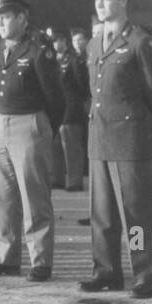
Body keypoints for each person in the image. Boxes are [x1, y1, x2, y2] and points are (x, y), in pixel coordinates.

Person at [78, 0, 152, 299]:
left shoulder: (140, 42)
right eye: (97, 0)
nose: (100, 5)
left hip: (130, 140)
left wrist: (141, 129)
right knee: (102, 213)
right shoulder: (93, 44)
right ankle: (106, 271)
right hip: (99, 137)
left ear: (124, 1)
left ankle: (144, 275)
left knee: (136, 214)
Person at [0, 0, 64, 281]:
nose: (2, 23)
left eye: (7, 17)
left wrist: (43, 128)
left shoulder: (38, 51)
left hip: (30, 122)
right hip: (1, 123)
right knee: (2, 197)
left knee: (33, 196)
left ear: (21, 19)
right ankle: (5, 258)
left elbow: (56, 98)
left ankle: (40, 261)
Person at [51, 28, 88, 192]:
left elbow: (81, 83)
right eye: (55, 41)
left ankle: (74, 180)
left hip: (71, 105)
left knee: (71, 143)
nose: (57, 44)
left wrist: (80, 100)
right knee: (56, 143)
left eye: (60, 41)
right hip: (56, 106)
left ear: (66, 43)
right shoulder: (51, 61)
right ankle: (57, 178)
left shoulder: (72, 59)